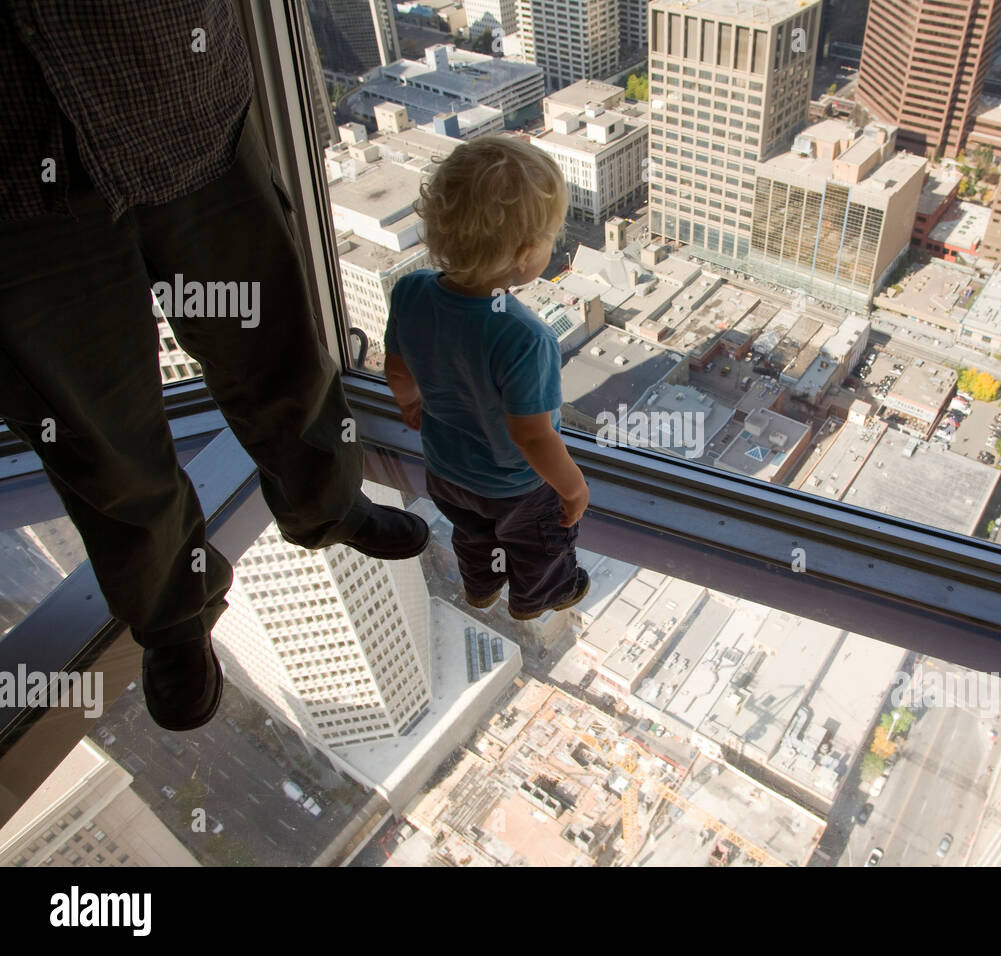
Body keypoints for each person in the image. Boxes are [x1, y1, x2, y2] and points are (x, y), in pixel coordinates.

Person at [0, 1, 429, 732]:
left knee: (279, 354)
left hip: (176, 95)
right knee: (95, 437)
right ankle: (172, 616)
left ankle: (326, 504)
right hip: (13, 177)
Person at [384, 136, 589, 621]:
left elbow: (397, 367)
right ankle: (537, 597)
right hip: (515, 487)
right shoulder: (524, 337)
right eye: (550, 240)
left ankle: (480, 588)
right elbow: (533, 437)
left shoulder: (411, 291)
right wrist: (574, 487)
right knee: (540, 545)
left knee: (472, 535)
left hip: (445, 470)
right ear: (524, 255)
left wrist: (409, 402)